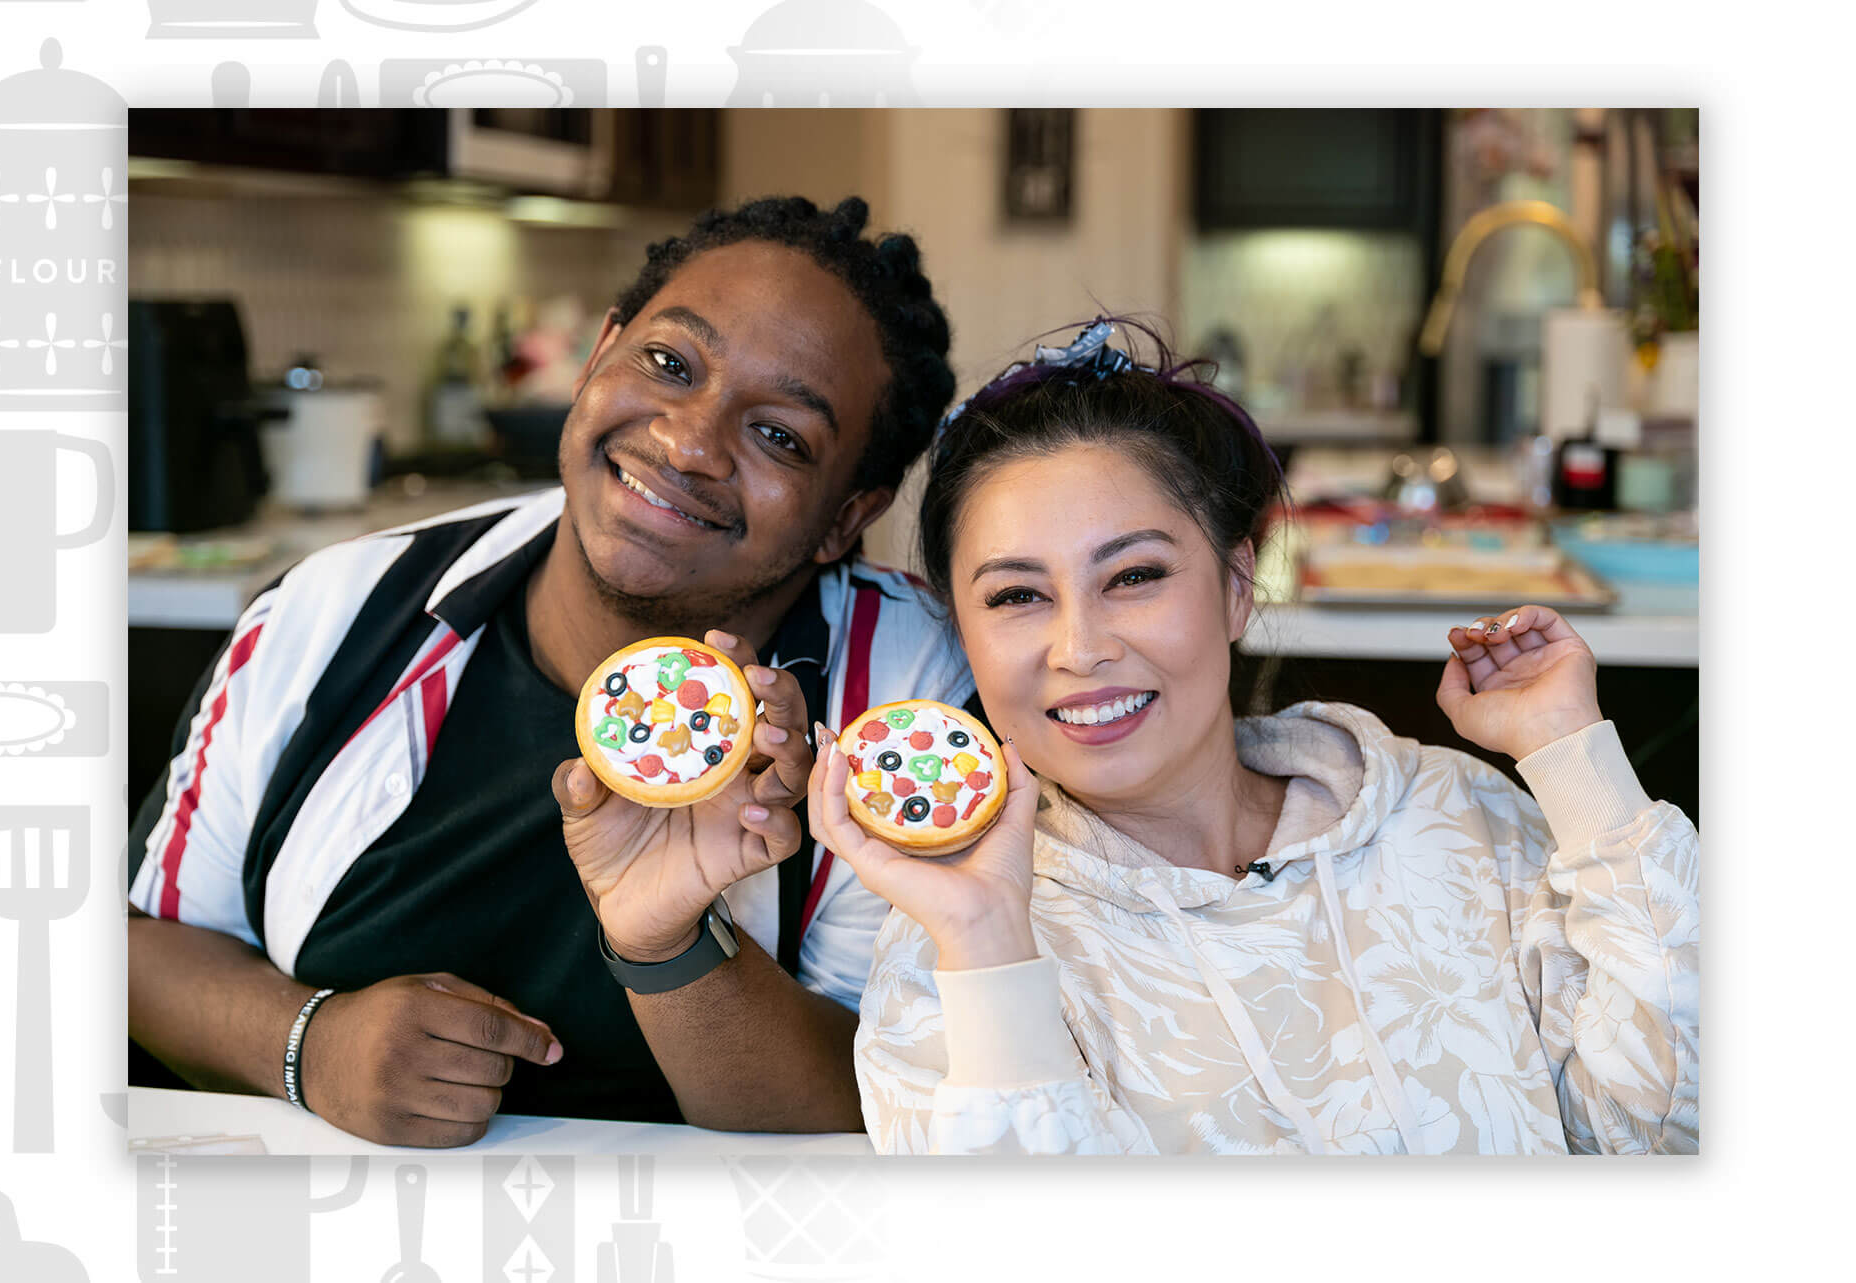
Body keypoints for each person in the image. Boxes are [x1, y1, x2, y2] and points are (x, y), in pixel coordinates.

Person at [127, 196, 973, 1146]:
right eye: (669, 363)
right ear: (597, 355)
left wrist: (669, 946)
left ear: (845, 517)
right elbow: (137, 945)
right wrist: (307, 1043)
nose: (689, 443)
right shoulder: (334, 613)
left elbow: (895, 1102)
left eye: (779, 435)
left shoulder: (913, 715)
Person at [809, 319, 1700, 1155]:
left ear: (1238, 585)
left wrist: (1574, 759)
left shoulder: (1461, 815)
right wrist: (988, 942)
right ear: (962, 632)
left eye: (1134, 575)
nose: (1079, 647)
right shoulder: (945, 950)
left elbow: (1665, 1129)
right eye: (1016, 595)